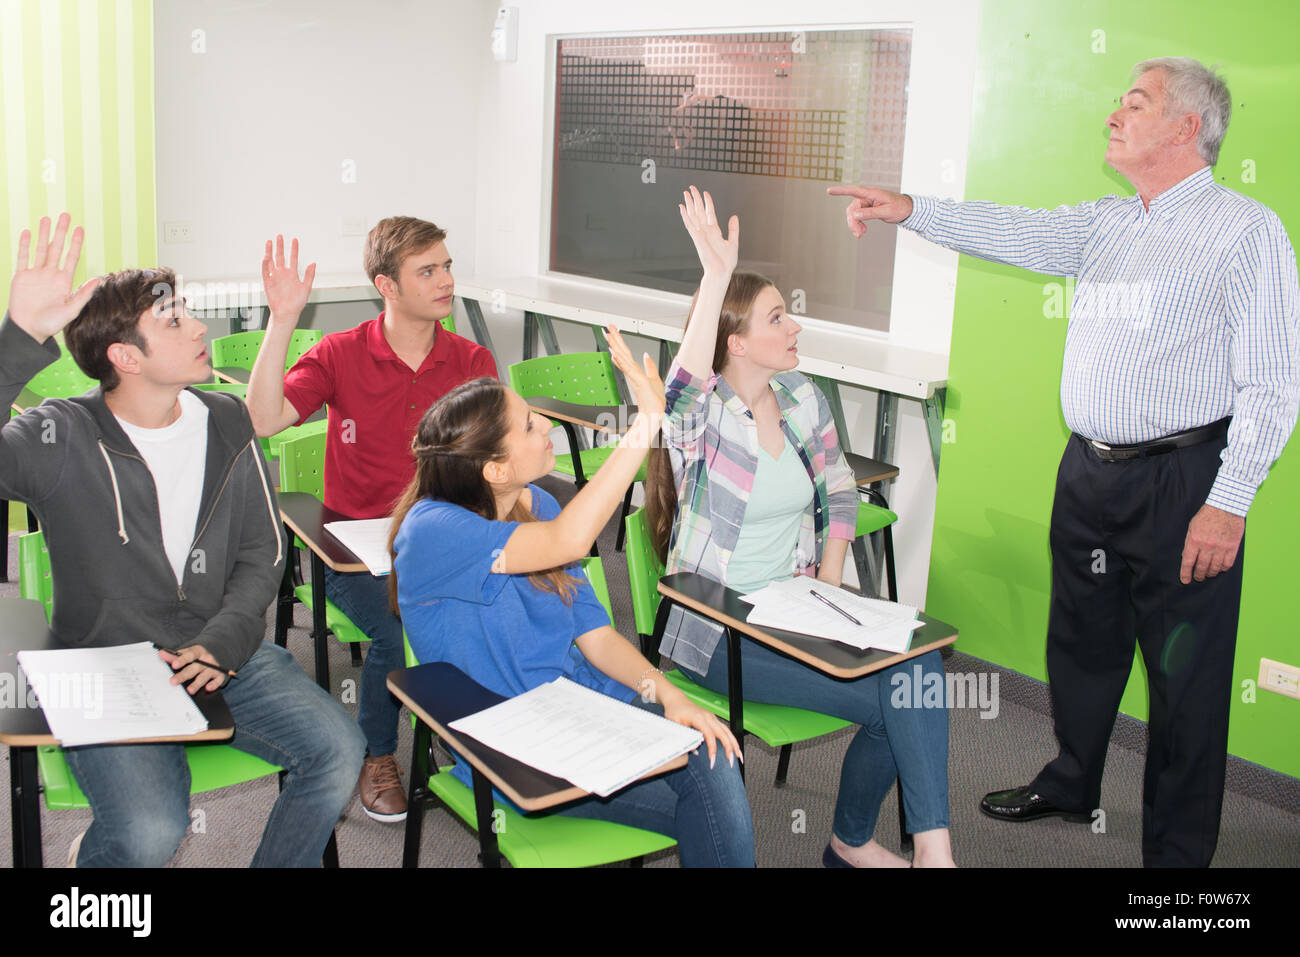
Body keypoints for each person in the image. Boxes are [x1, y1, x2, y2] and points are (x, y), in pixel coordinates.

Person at [830, 57, 1299, 867]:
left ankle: (1177, 866)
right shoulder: (1110, 221)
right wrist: (909, 209)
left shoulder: (1246, 232)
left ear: (1187, 126)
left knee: (1185, 680)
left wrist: (1229, 500)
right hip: (1088, 474)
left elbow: (1275, 384)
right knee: (1079, 646)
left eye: (1136, 102)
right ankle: (1073, 779)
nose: (1114, 114)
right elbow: (1012, 230)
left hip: (1184, 485)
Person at [0, 214, 365, 867]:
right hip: (108, 666)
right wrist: (21, 337)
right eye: (175, 321)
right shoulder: (61, 434)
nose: (199, 327)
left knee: (339, 750)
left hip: (223, 646)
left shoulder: (226, 419)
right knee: (149, 829)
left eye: (189, 312)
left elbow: (263, 551)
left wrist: (223, 641)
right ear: (126, 356)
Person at [644, 187, 955, 868]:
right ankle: (858, 844)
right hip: (718, 627)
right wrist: (715, 275)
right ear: (737, 341)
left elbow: (840, 487)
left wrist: (832, 583)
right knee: (892, 694)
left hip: (797, 606)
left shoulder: (800, 396)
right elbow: (678, 396)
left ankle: (919, 850)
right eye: (778, 318)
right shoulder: (707, 423)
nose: (795, 328)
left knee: (919, 667)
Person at [388, 325, 755, 867]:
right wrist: (645, 425)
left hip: (588, 711)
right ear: (495, 468)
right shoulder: (431, 532)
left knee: (715, 758)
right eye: (531, 425)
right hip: (514, 749)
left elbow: (596, 633)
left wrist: (666, 693)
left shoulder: (537, 501)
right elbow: (573, 540)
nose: (547, 428)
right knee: (707, 806)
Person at [246, 218, 497, 822]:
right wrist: (282, 322)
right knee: (397, 630)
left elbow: (496, 457)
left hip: (442, 537)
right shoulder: (340, 352)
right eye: (428, 271)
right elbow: (261, 420)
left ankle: (456, 731)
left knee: (495, 608)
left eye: (446, 265)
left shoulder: (470, 358)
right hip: (359, 553)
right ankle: (378, 752)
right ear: (386, 285)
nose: (446, 281)